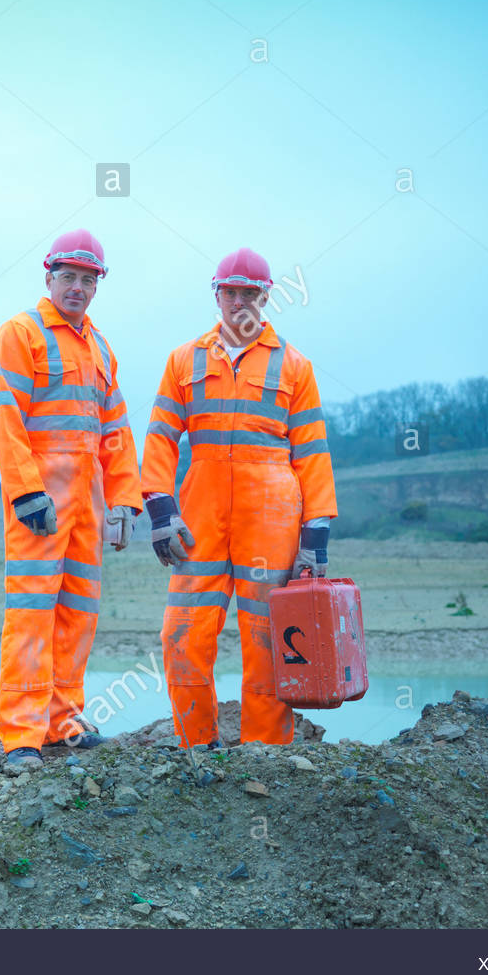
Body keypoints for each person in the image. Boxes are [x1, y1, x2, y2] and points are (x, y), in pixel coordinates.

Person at [140, 247, 336, 747]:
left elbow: (312, 453)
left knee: (271, 640)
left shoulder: (295, 366)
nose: (240, 303)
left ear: (265, 297)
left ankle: (265, 756)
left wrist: (315, 536)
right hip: (202, 516)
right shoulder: (184, 360)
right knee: (181, 636)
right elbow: (161, 437)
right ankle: (195, 749)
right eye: (231, 293)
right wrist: (160, 508)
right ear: (217, 294)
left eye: (250, 294)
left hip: (271, 518)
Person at [0, 229, 142, 771]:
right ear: (48, 278)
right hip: (40, 503)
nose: (77, 287)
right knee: (32, 612)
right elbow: (2, 414)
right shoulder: (21, 333)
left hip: (89, 506)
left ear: (97, 285)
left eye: (87, 279)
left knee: (78, 613)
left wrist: (125, 500)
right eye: (68, 277)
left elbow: (116, 432)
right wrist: (26, 490)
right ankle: (22, 735)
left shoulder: (100, 348)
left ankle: (64, 722)